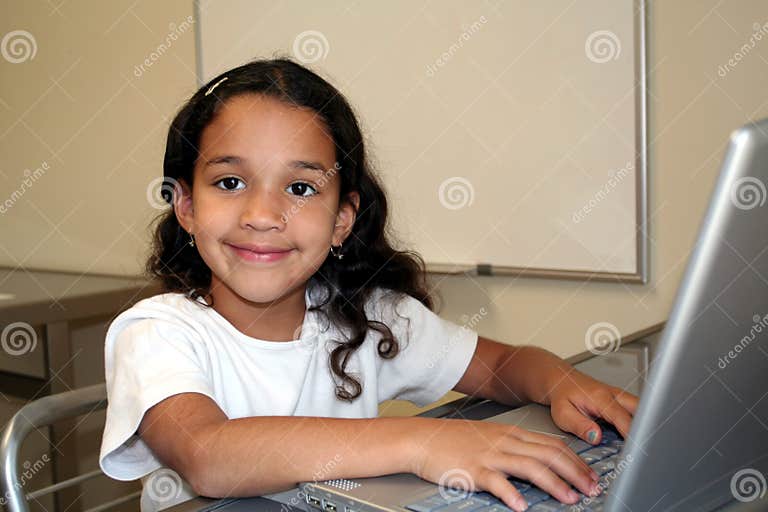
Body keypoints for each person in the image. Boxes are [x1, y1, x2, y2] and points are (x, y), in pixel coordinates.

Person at [98, 57, 639, 512]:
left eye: (302, 187)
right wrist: (424, 440)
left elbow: (502, 365)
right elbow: (209, 457)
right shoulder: (156, 333)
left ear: (341, 219)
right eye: (230, 182)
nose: (262, 214)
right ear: (187, 206)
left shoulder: (367, 317)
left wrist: (565, 383)